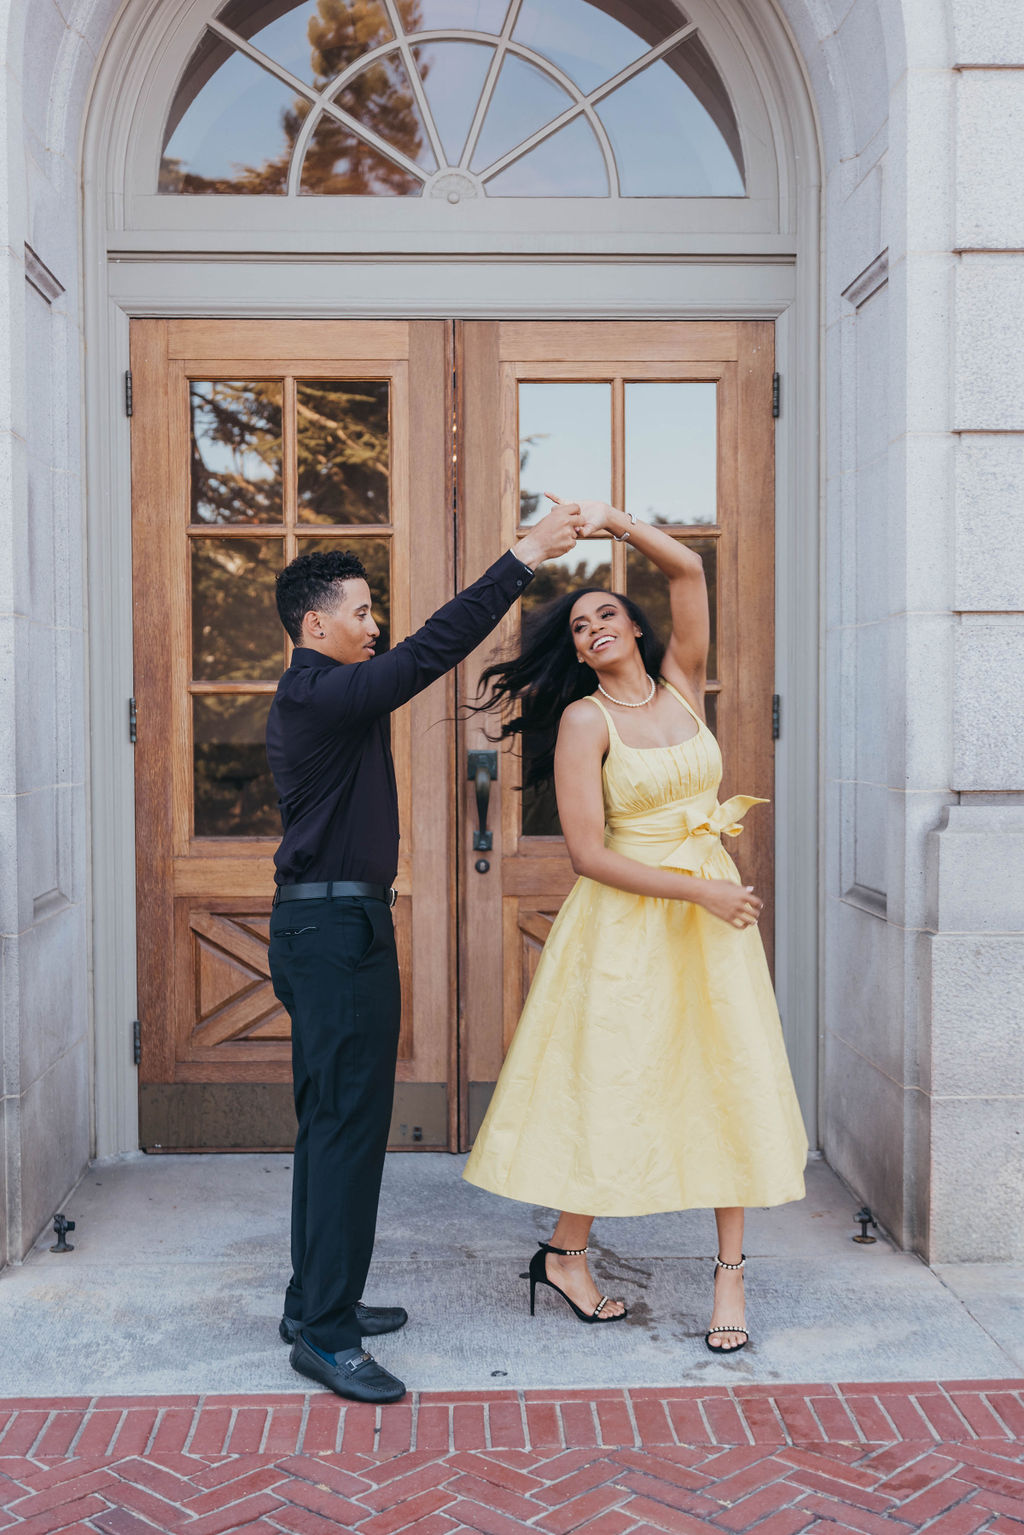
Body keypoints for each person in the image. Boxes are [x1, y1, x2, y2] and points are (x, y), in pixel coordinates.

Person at [463, 496, 807, 1352]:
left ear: (636, 628)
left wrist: (614, 520)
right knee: (620, 1081)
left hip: (709, 913)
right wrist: (702, 895)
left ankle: (729, 1275)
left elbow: (686, 569)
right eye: (578, 628)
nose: (591, 630)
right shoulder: (586, 720)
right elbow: (588, 854)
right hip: (631, 922)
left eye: (605, 613)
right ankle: (566, 1253)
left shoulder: (684, 682)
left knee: (724, 1072)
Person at [266, 498, 583, 1403]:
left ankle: (312, 1302)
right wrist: (523, 553)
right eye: (362, 612)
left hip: (335, 926)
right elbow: (431, 651)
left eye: (376, 611)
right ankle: (325, 1336)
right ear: (314, 624)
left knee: (335, 1130)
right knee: (343, 1132)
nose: (377, 626)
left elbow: (407, 653)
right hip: (333, 936)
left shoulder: (327, 695)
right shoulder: (320, 693)